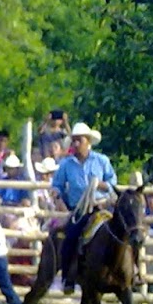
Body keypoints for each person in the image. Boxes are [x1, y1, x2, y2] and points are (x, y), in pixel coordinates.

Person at [49, 121, 118, 288]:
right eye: (74, 140)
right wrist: (57, 197)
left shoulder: (101, 160)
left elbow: (113, 182)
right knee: (71, 236)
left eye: (79, 140)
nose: (76, 144)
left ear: (88, 141)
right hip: (79, 210)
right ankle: (68, 276)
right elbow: (57, 185)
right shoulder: (66, 164)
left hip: (101, 206)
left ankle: (128, 272)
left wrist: (100, 184)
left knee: (124, 232)